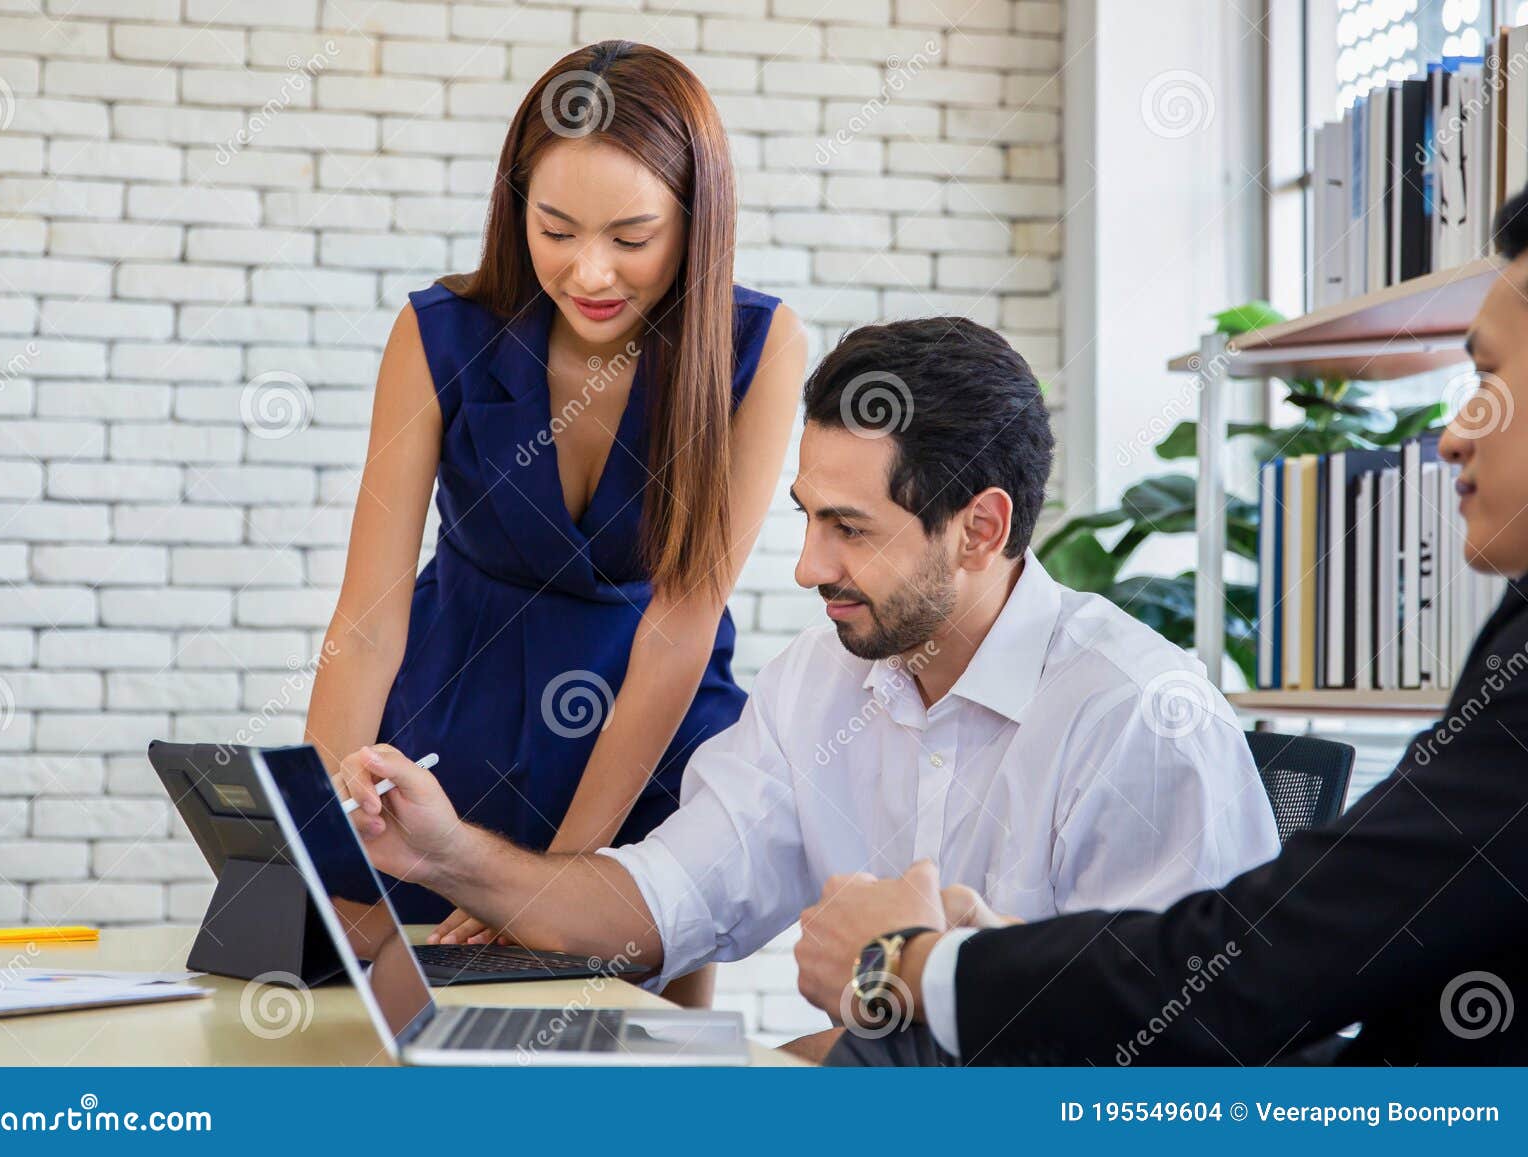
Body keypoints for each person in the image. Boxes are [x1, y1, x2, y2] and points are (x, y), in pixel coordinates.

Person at [338, 316, 1280, 1038]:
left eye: (850, 528)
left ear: (980, 529)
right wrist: (444, 851)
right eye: (808, 516)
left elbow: (1168, 1044)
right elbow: (661, 898)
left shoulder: (1139, 718)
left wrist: (888, 1007)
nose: (807, 565)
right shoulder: (818, 684)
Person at [791, 188, 1528, 1067]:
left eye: (1488, 379)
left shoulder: (1136, 700)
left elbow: (1254, 977)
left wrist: (915, 963)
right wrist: (974, 963)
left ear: (979, 529)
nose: (1452, 435)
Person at [302, 42, 807, 1006]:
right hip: (455, 721)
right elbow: (366, 621)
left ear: (696, 223)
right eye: (556, 228)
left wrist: (548, 890)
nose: (590, 270)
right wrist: (317, 831)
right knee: (395, 1035)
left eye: (632, 235)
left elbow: (679, 626)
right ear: (515, 207)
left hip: (646, 728)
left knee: (631, 1052)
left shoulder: (757, 347)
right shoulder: (438, 331)